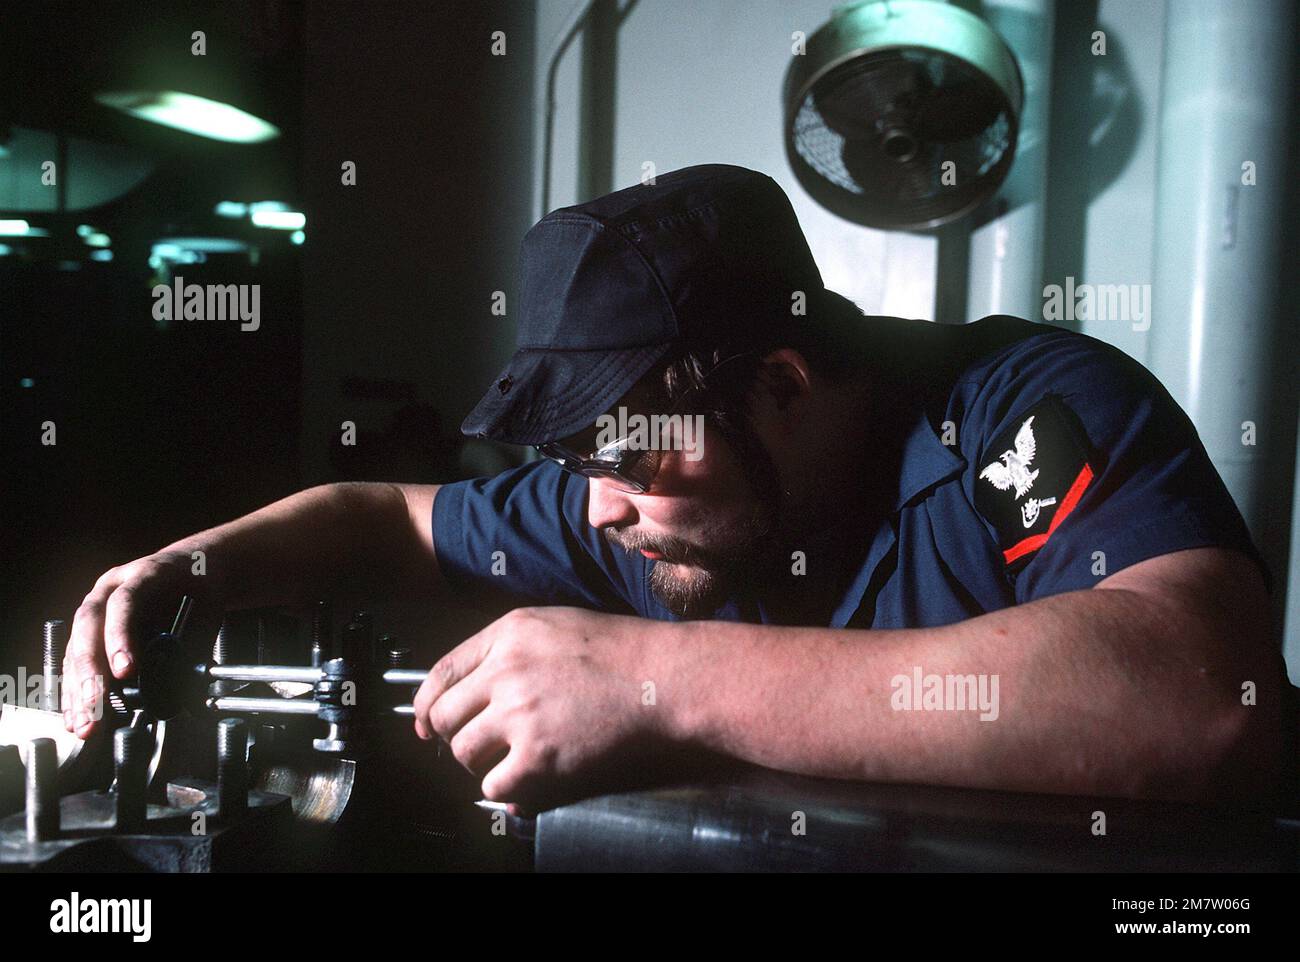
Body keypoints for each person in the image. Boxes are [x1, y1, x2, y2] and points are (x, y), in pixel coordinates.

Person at [62, 165, 1286, 811]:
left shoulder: (1022, 409)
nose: (597, 509)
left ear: (785, 384)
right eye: (576, 466)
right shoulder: (641, 502)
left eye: (633, 458)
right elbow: (379, 512)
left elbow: (1198, 697)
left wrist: (652, 679)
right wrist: (182, 567)